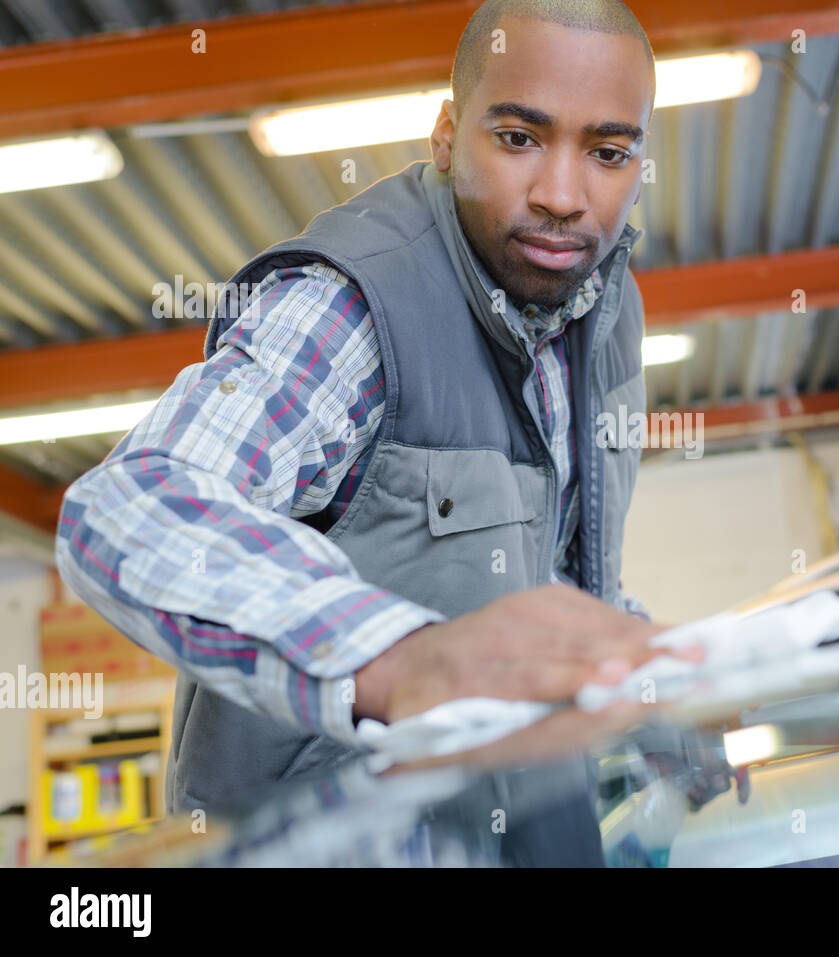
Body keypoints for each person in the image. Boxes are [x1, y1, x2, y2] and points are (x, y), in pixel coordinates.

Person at [55, 0, 698, 866]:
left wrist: (670, 695)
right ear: (445, 134)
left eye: (609, 152)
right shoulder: (355, 305)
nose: (561, 194)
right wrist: (396, 662)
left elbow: (552, 574)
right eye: (517, 137)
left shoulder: (604, 316)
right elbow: (131, 505)